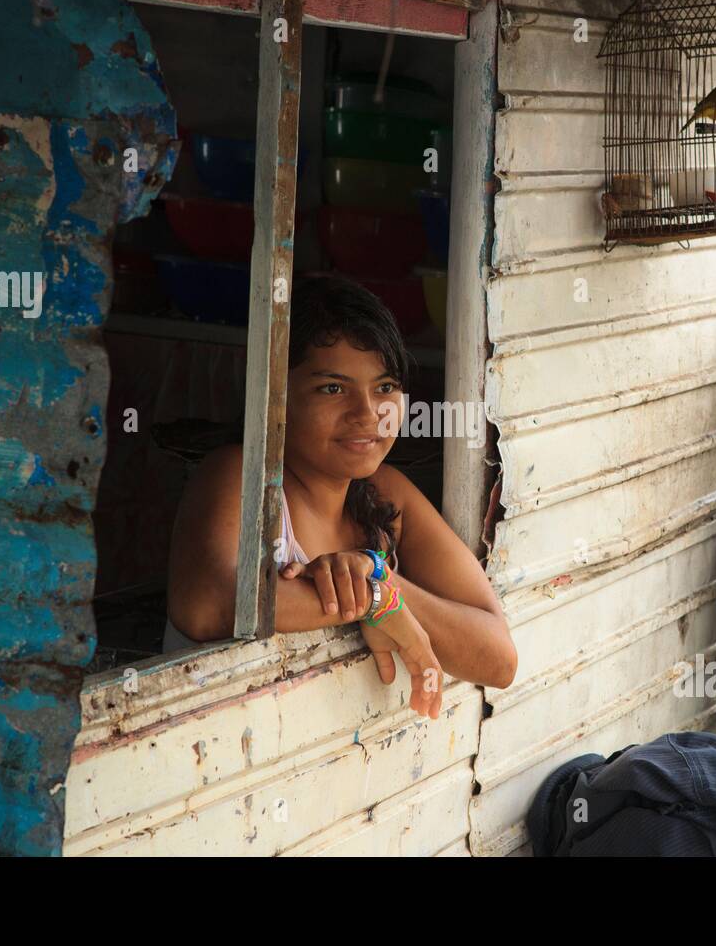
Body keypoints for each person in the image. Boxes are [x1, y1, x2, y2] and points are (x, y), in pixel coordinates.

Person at [164, 275, 517, 718]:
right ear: (276, 394)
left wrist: (385, 587)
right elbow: (207, 604)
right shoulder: (240, 474)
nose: (367, 414)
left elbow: (498, 659)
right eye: (332, 388)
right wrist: (372, 602)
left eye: (385, 387)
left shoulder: (388, 493)